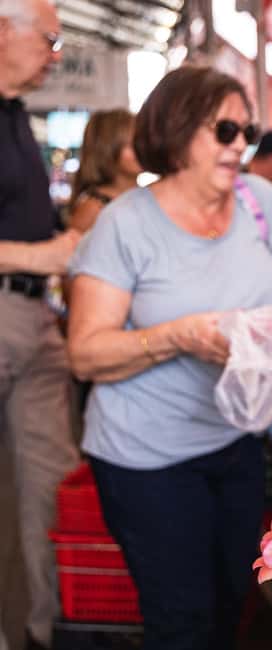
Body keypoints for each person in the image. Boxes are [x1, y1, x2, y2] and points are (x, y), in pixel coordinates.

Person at [67, 66, 272, 650]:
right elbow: (84, 353)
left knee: (232, 601)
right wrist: (177, 336)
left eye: (247, 132)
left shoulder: (257, 201)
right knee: (181, 620)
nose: (240, 145)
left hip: (235, 441)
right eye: (225, 129)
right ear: (177, 130)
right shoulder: (123, 224)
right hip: (146, 458)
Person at [0, 1, 81, 648]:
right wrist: (40, 256)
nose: (56, 53)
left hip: (35, 315)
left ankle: (46, 629)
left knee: (50, 481)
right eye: (50, 38)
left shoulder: (18, 118)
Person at [68, 109, 140, 232]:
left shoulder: (147, 196)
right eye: (130, 145)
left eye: (142, 141)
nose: (141, 149)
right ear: (107, 150)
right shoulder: (93, 208)